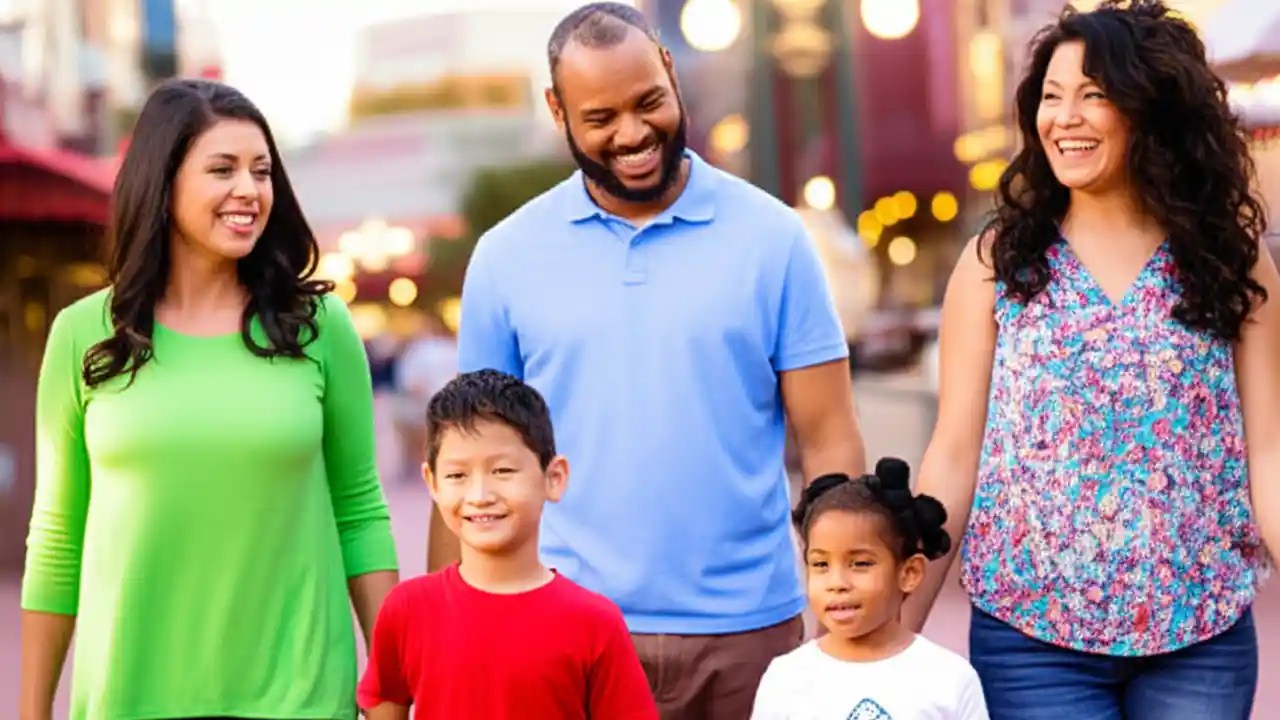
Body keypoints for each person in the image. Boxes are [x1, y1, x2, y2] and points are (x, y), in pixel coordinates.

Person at [456, 3, 865, 717]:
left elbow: (829, 436)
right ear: (558, 111)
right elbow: (472, 456)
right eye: (601, 117)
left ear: (672, 71)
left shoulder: (774, 238)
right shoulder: (505, 256)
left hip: (749, 636)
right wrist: (455, 633)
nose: (634, 133)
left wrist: (854, 611)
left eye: (649, 102)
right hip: (566, 627)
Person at [904, 2, 1280, 718]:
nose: (1063, 117)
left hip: (1199, 632)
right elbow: (954, 455)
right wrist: (896, 632)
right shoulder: (997, 262)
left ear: (1153, 108)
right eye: (1051, 96)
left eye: (1094, 95)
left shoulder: (1234, 263)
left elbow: (1270, 454)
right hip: (1031, 637)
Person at [19, 79, 400, 720]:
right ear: (162, 183)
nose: (249, 190)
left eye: (261, 170)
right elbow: (58, 536)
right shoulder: (84, 335)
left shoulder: (319, 327)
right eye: (221, 169)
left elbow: (360, 512)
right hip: (130, 701)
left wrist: (391, 694)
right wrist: (31, 712)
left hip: (300, 699)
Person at [358, 369, 658, 720]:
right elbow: (383, 707)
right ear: (433, 483)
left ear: (554, 477)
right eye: (457, 475)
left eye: (502, 471)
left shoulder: (595, 624)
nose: (480, 496)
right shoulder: (406, 610)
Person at [751, 458, 988, 719]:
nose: (837, 583)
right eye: (821, 564)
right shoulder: (785, 678)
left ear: (909, 573)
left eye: (860, 564)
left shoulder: (949, 678)